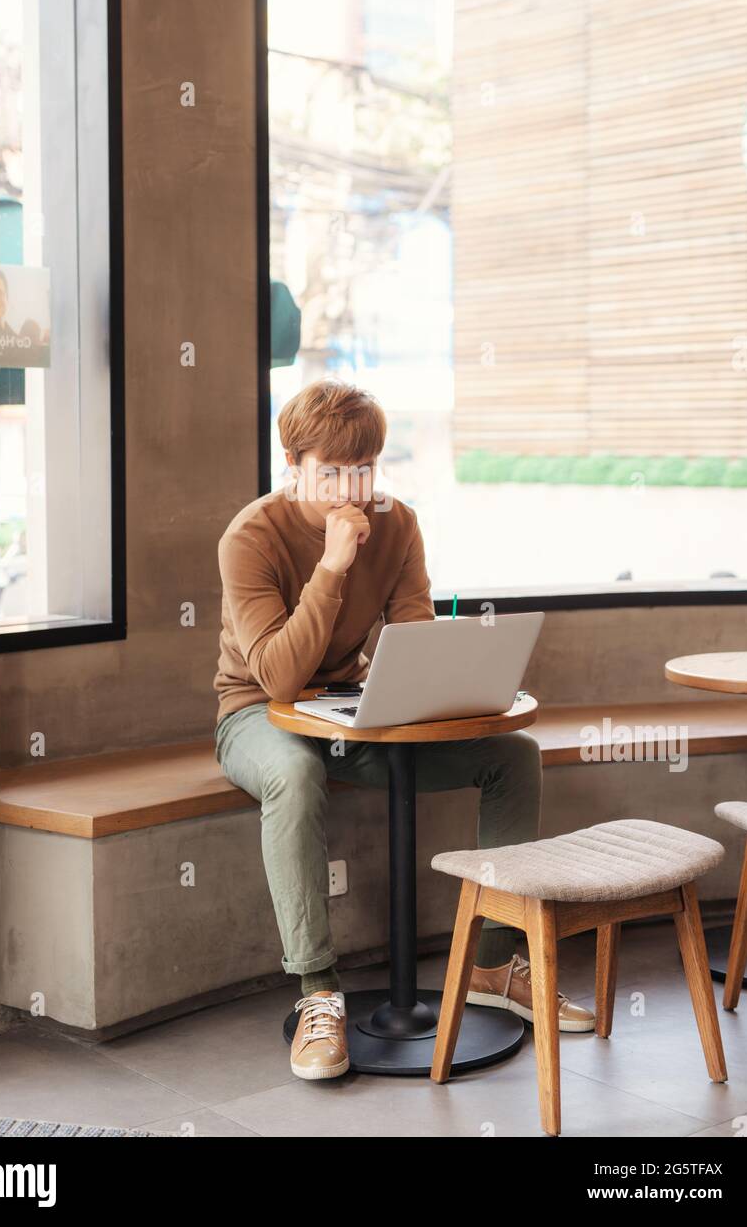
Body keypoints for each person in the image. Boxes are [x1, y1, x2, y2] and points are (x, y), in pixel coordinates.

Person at [213, 379, 593, 1080]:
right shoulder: (251, 537)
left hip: (347, 711)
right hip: (254, 714)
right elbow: (276, 678)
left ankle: (491, 965)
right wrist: (331, 566)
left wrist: (440, 680)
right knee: (294, 775)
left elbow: (413, 632)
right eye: (331, 471)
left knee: (512, 755)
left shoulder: (397, 523)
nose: (350, 489)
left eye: (363, 469)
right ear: (292, 463)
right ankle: (316, 993)